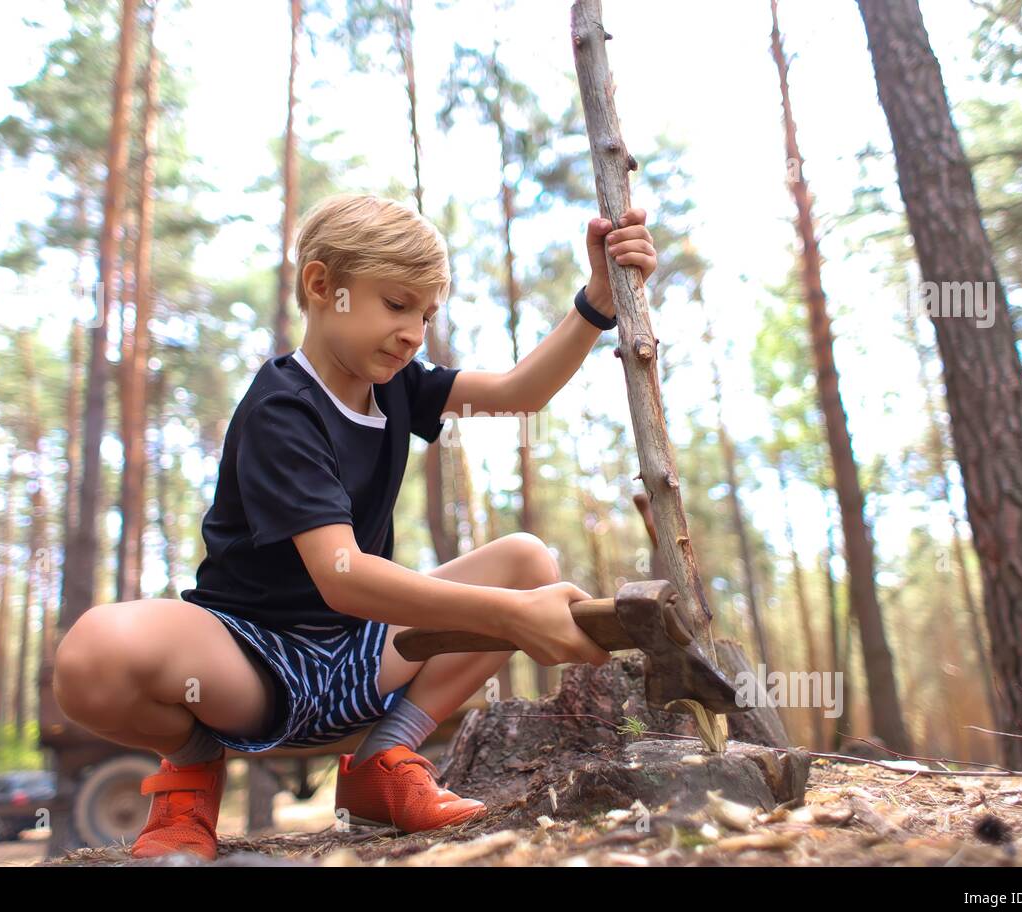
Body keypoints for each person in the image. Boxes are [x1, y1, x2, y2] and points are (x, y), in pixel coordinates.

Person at [52, 192, 658, 860]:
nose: (413, 332)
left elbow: (519, 393)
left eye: (426, 316)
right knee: (93, 653)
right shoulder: (283, 406)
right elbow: (341, 576)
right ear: (322, 286)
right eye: (397, 305)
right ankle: (191, 773)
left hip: (364, 658)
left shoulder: (399, 387)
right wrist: (513, 618)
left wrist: (597, 300)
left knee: (526, 560)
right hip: (248, 665)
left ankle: (385, 761)